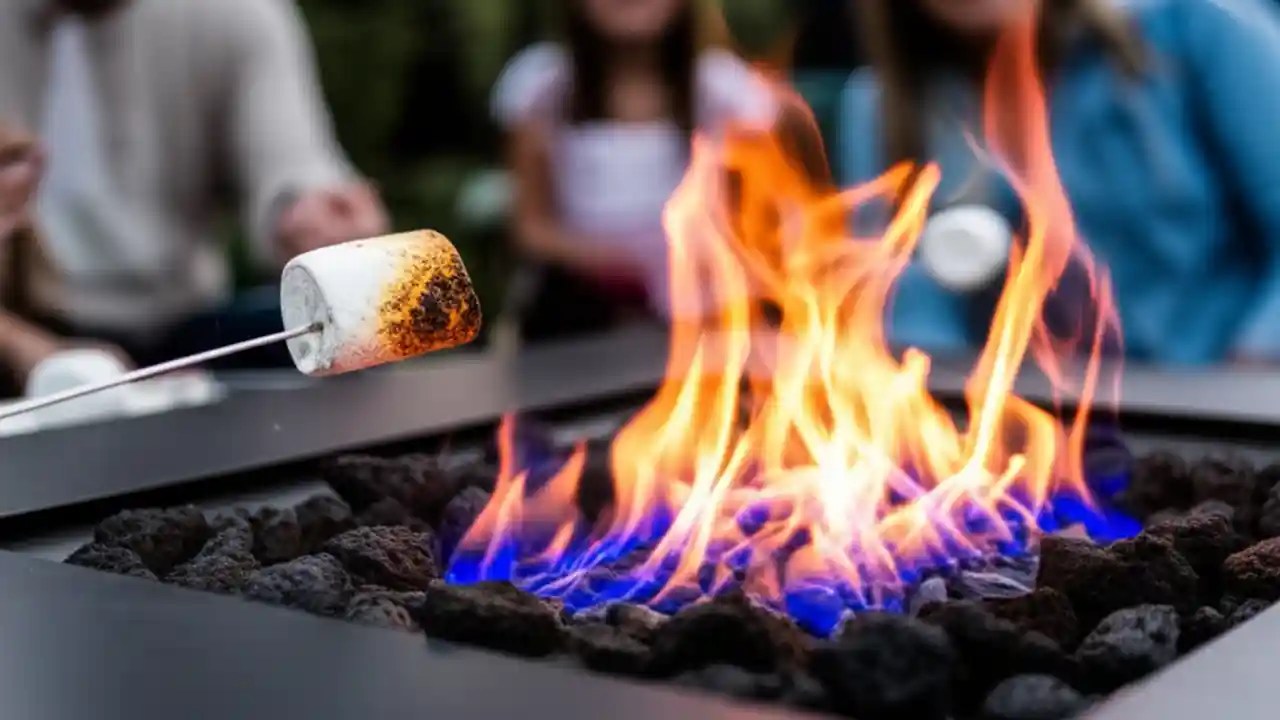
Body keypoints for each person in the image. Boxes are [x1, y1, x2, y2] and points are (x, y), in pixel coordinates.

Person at [838, 0, 1280, 365]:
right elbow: (904, 300)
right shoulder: (880, 110)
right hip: (1026, 433)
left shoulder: (1194, 31)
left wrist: (1249, 366)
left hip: (1215, 417)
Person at [0, 0, 388, 388]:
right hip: (22, 324)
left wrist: (309, 211)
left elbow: (291, 162)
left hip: (185, 325)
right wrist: (23, 346)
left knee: (345, 338)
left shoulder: (235, 12)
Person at [494, 0, 788, 341]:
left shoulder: (725, 89)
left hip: (702, 311)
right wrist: (630, 260)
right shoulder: (544, 88)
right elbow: (530, 227)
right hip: (578, 318)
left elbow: (761, 218)